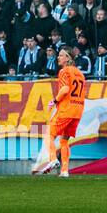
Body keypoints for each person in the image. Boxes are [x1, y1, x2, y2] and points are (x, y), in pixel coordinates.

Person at [34, 48, 85, 177]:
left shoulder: (64, 71)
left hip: (66, 109)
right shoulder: (80, 73)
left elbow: (65, 89)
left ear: (68, 58)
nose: (58, 57)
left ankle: (52, 159)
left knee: (48, 134)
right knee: (64, 140)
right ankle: (64, 171)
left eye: (61, 55)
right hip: (78, 110)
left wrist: (55, 101)